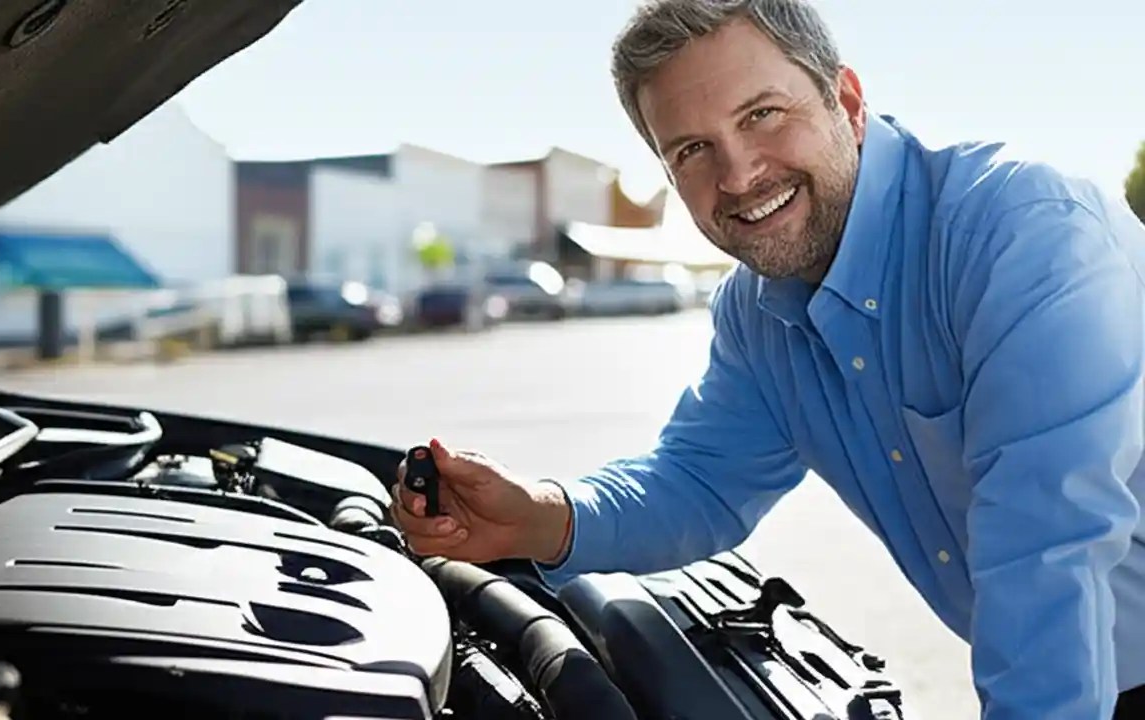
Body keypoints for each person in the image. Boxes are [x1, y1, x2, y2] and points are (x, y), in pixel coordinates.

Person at [389, 1, 1145, 717]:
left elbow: (1049, 552)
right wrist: (541, 517)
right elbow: (699, 482)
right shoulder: (757, 310)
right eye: (691, 149)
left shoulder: (1024, 237)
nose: (740, 174)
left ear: (846, 101)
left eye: (762, 114)